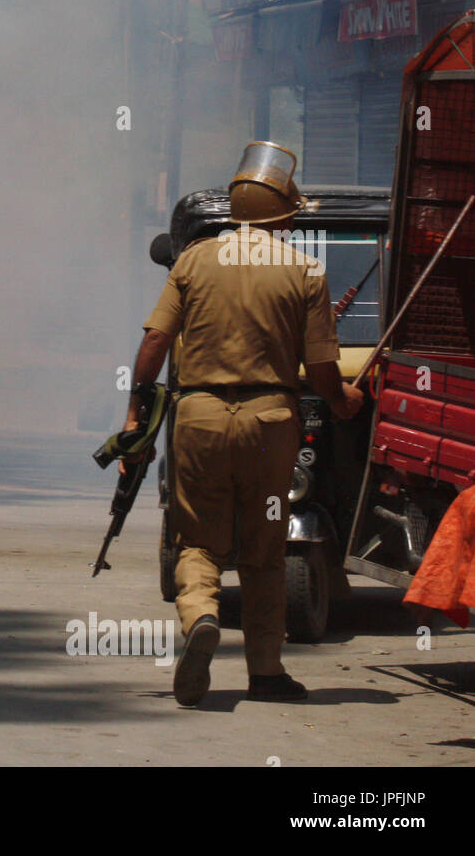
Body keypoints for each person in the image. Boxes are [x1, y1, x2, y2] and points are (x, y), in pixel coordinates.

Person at [122, 141, 365, 706]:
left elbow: (156, 340)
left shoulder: (193, 261)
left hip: (199, 417)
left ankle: (202, 614)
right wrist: (342, 400)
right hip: (271, 423)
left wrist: (136, 412)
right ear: (283, 213)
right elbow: (323, 371)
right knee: (264, 549)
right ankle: (266, 672)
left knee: (196, 539)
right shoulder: (305, 271)